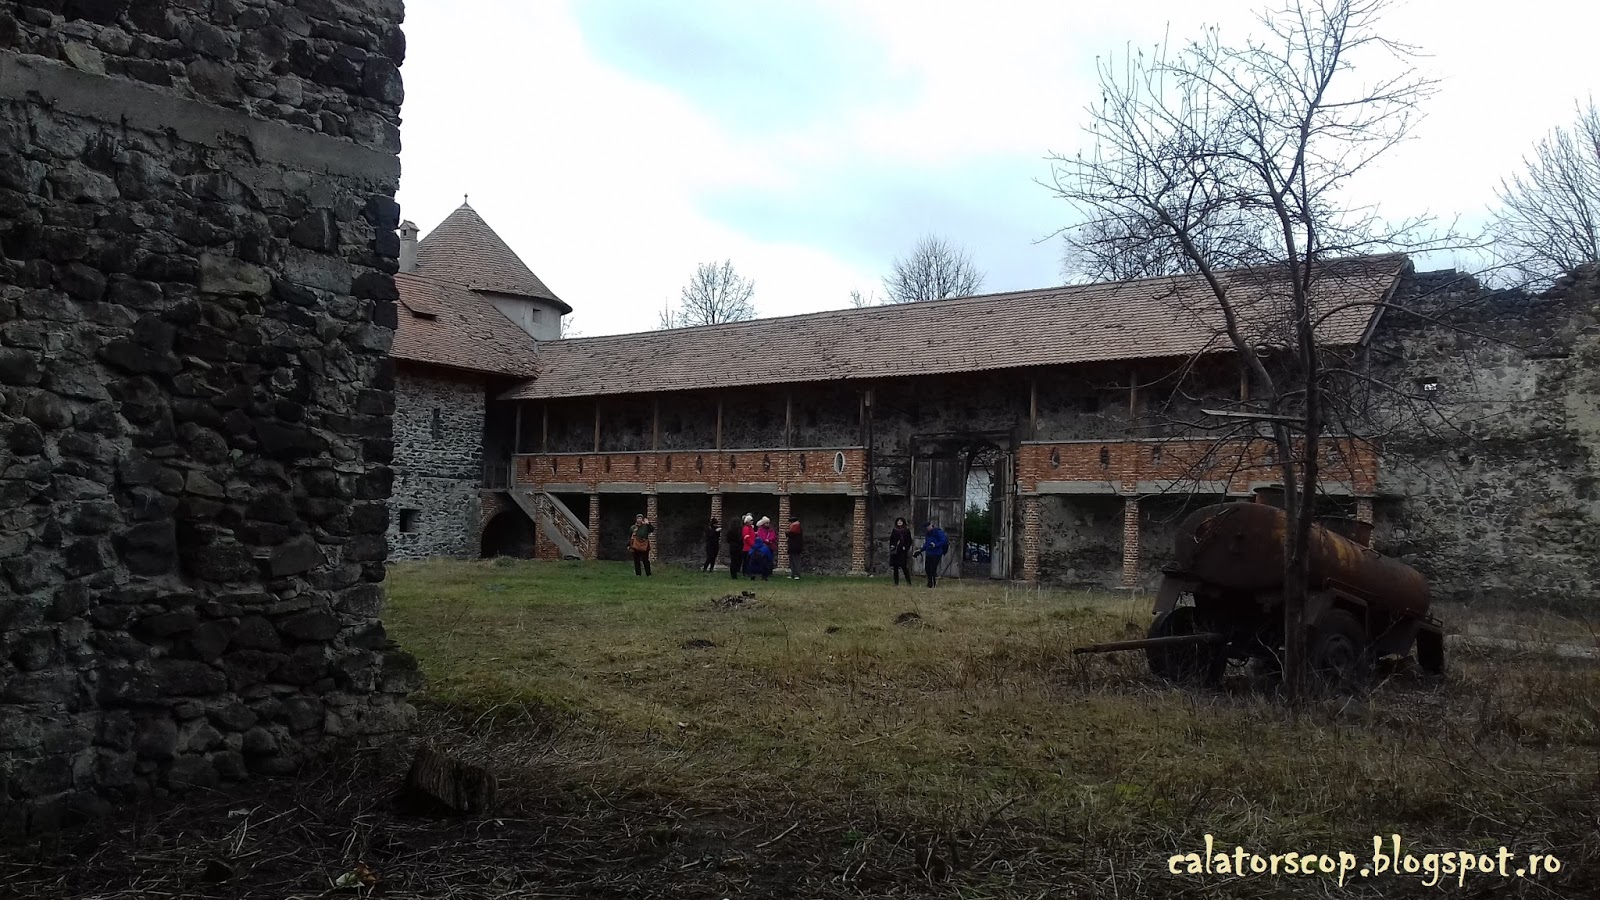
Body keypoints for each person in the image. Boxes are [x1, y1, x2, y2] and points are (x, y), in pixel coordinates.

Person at [913, 520, 948, 588]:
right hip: (929, 553)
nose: (926, 529)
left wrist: (936, 545)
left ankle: (933, 583)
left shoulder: (938, 532)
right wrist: (921, 550)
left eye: (927, 528)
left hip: (937, 553)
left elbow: (944, 541)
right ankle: (929, 582)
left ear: (930, 526)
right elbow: (926, 544)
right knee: (927, 568)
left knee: (933, 569)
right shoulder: (928, 534)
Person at [888, 517, 914, 586]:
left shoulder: (906, 531)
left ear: (903, 523)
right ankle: (896, 582)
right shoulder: (895, 530)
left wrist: (905, 547)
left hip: (902, 551)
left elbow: (909, 541)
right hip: (896, 551)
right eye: (898, 522)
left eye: (901, 521)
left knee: (904, 566)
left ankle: (908, 582)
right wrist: (892, 546)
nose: (899, 523)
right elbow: (892, 540)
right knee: (895, 567)